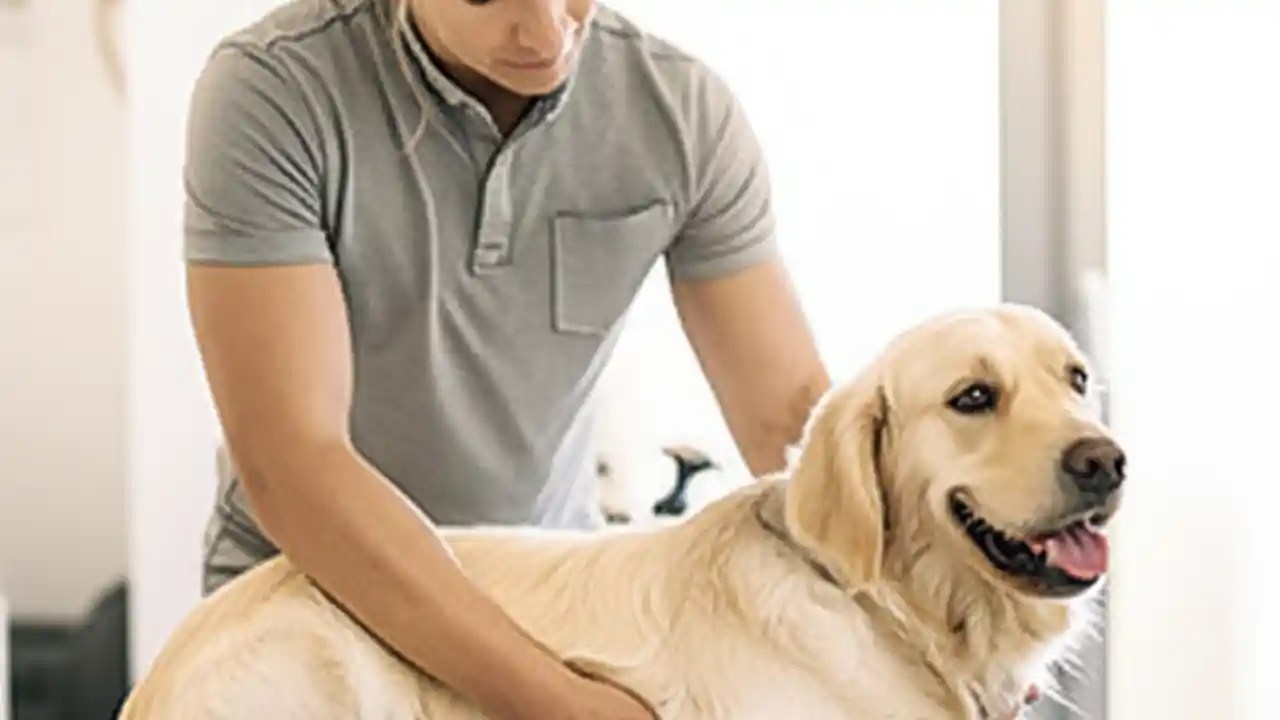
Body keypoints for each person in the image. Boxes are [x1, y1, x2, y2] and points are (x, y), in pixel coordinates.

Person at [184, 0, 829, 717]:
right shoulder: (276, 90)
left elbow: (791, 425)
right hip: (306, 620)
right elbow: (293, 465)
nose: (548, 32)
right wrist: (561, 705)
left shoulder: (683, 113)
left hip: (546, 611)